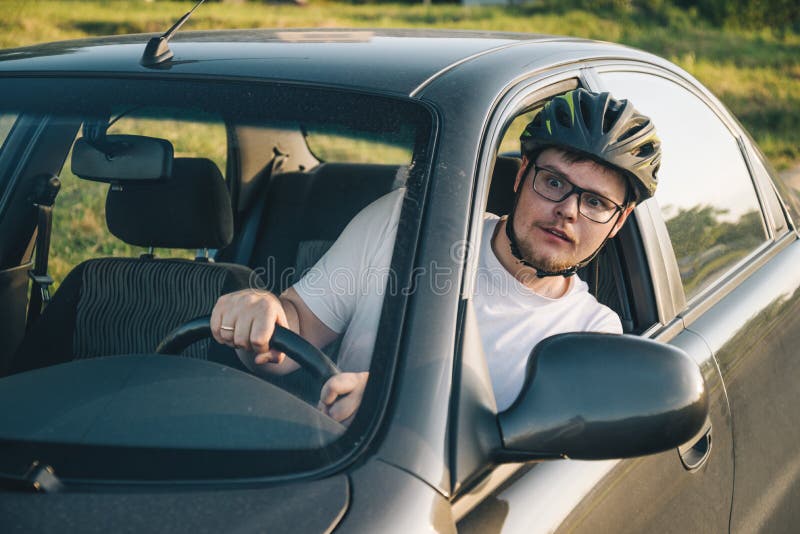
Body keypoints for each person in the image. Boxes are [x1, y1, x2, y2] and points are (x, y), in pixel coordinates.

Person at [210, 88, 661, 421]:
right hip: (326, 466)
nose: (566, 211)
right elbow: (297, 328)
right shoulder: (407, 222)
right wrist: (263, 311)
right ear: (523, 175)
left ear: (618, 222)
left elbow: (538, 462)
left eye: (596, 203)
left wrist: (403, 409)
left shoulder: (593, 332)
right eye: (555, 182)